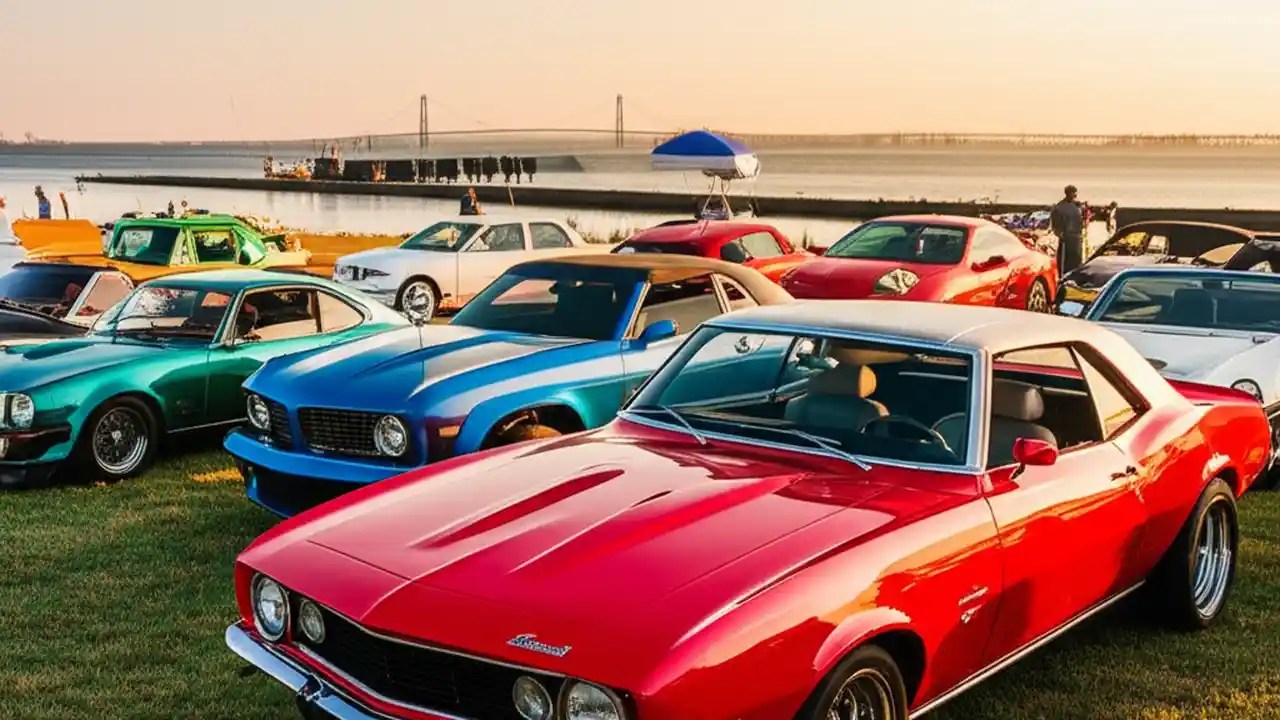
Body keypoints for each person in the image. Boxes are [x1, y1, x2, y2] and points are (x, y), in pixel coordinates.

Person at [1050, 185, 1084, 273]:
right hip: (1066, 240)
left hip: (1076, 239)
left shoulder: (1076, 207)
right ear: (1068, 194)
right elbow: (1056, 226)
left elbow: (1080, 223)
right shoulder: (1059, 208)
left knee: (1076, 264)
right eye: (1074, 194)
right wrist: (1061, 235)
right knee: (1065, 264)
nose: (1075, 197)